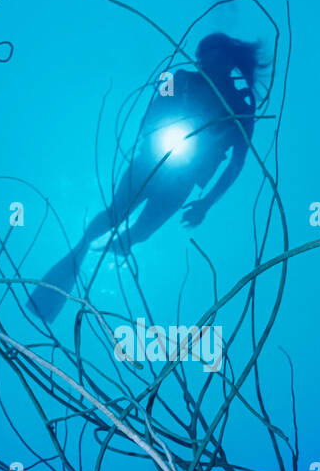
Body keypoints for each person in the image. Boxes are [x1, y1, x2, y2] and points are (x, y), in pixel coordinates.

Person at [31, 33, 262, 320]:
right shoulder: (180, 79)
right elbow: (152, 110)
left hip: (183, 182)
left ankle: (114, 247)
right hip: (149, 161)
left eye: (211, 56)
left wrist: (207, 203)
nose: (204, 62)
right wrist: (157, 125)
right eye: (202, 56)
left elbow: (237, 164)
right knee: (115, 213)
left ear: (227, 59)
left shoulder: (242, 108)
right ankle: (79, 252)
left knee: (141, 232)